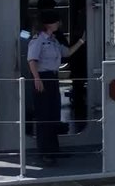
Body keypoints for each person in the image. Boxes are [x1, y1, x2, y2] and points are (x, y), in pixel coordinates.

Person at [28, 10, 85, 166]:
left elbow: (66, 52)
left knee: (53, 114)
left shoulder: (52, 40)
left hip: (52, 78)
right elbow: (32, 60)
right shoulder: (38, 39)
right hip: (42, 78)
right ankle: (45, 152)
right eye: (57, 22)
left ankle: (54, 150)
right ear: (48, 24)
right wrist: (36, 78)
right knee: (44, 117)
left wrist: (81, 41)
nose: (59, 24)